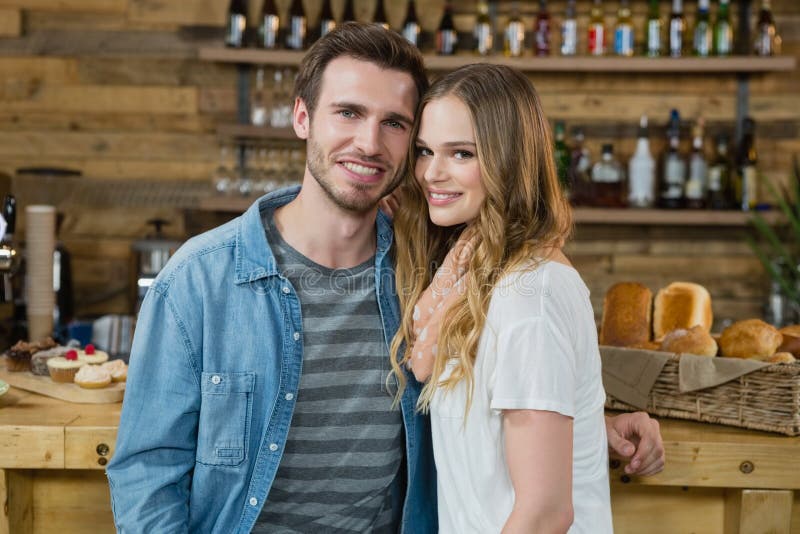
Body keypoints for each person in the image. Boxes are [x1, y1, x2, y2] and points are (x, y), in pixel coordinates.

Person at [106, 22, 663, 533]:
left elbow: (504, 373)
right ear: (302, 117)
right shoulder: (199, 281)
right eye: (348, 113)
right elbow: (147, 471)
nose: (370, 144)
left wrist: (592, 423)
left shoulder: (429, 269)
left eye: (395, 124)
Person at [389, 64, 615, 532]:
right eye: (426, 151)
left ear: (509, 160)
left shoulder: (529, 295)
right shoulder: (476, 277)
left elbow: (545, 512)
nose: (432, 172)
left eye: (462, 153)